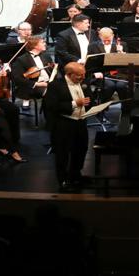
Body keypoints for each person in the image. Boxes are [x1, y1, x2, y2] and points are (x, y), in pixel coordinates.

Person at [44, 62, 93, 190]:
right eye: (79, 75)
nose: (83, 77)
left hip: (81, 122)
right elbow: (51, 106)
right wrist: (74, 103)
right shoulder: (55, 85)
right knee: (62, 153)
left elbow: (89, 99)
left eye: (84, 74)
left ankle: (76, 175)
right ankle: (63, 180)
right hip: (64, 124)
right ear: (69, 74)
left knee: (81, 150)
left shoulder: (83, 82)